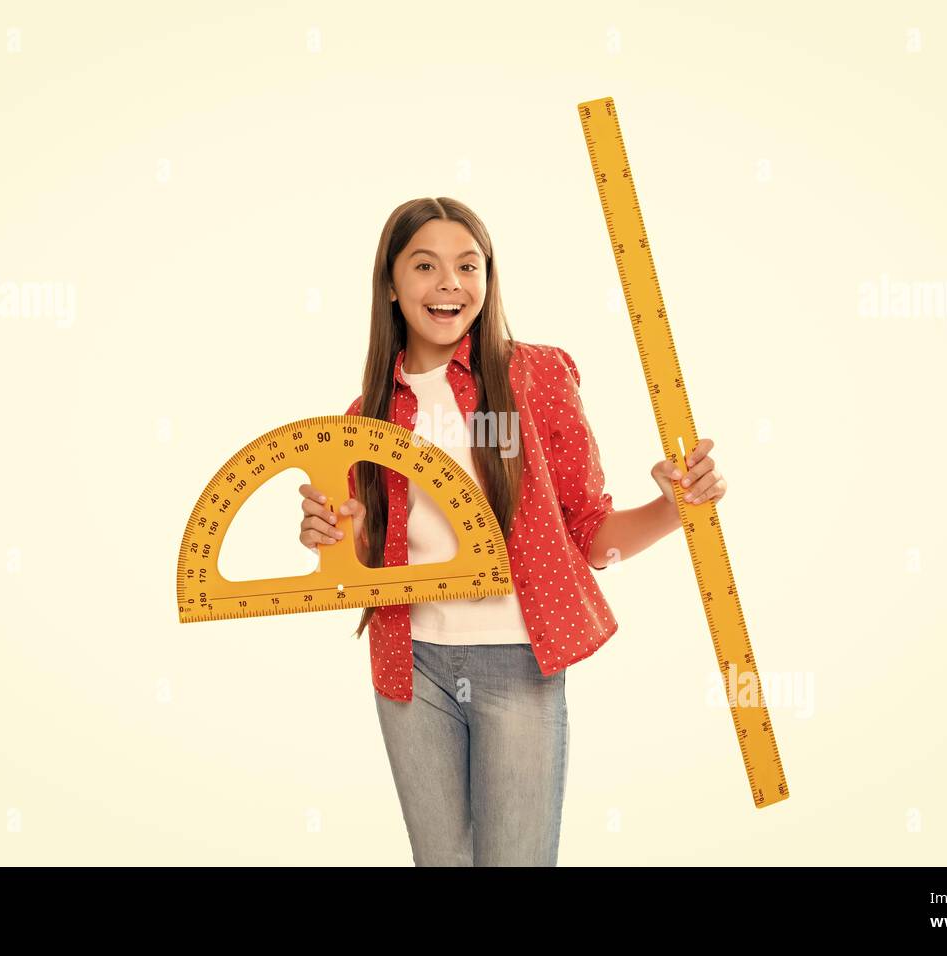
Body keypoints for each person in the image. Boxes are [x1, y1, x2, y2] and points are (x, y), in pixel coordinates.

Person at [297, 198, 727, 865]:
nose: (450, 284)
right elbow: (369, 553)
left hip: (519, 663)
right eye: (425, 265)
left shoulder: (538, 375)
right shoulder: (367, 413)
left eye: (469, 266)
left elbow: (590, 537)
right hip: (408, 668)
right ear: (390, 282)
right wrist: (334, 533)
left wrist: (674, 506)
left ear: (488, 279)